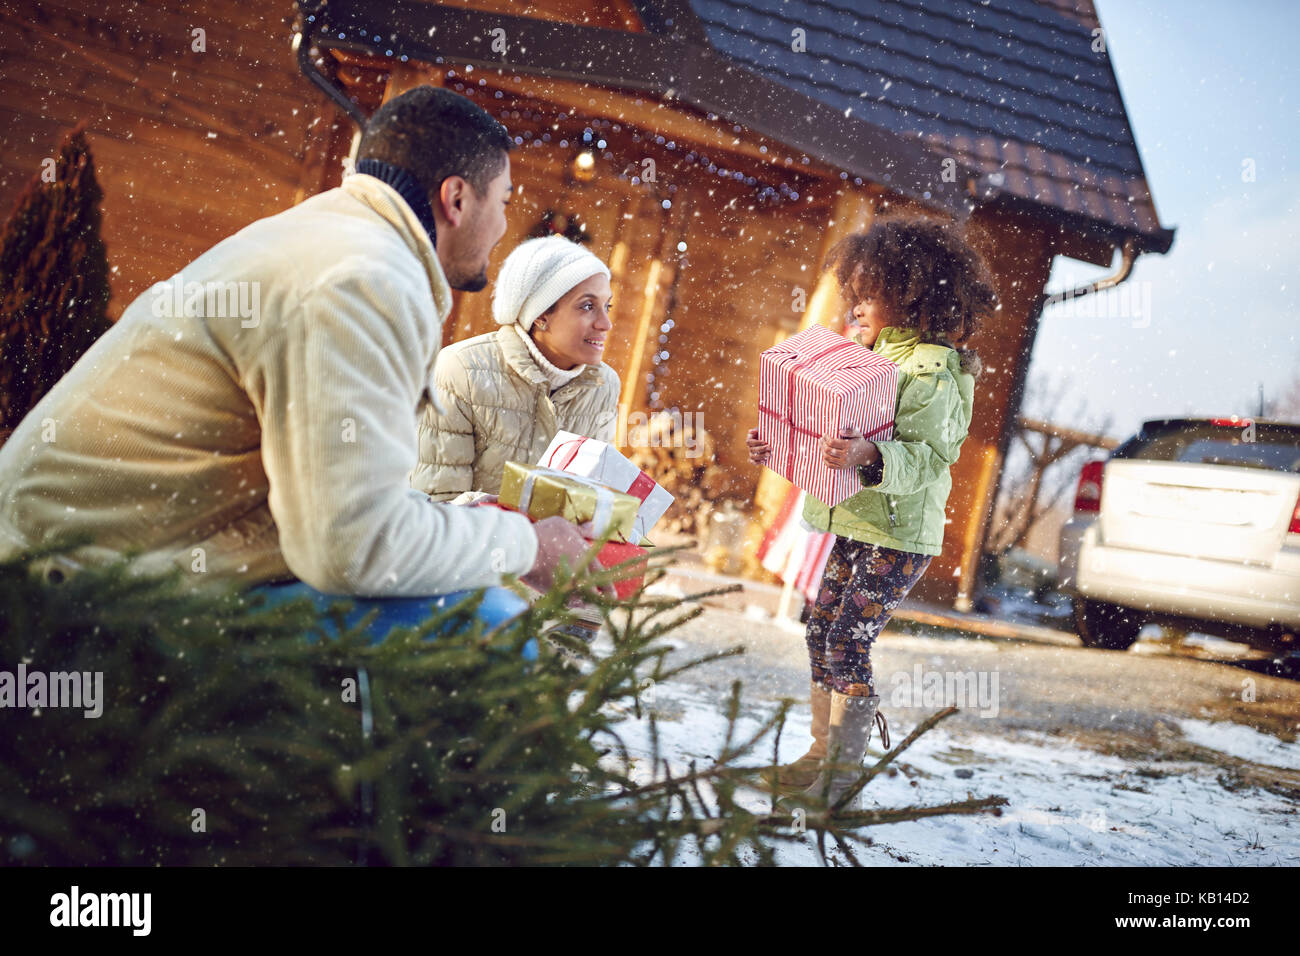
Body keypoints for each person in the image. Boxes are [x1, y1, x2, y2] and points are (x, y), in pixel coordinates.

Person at [0, 86, 603, 636]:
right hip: (60, 591)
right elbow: (350, 549)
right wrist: (528, 545)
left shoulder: (334, 242)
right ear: (456, 199)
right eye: (502, 202)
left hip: (88, 554)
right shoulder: (362, 283)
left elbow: (335, 500)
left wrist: (473, 520)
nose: (504, 226)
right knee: (488, 630)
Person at [747, 216, 997, 811]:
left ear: (912, 294)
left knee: (847, 643)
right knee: (819, 628)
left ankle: (843, 777)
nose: (854, 303)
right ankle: (818, 756)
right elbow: (825, 436)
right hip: (855, 522)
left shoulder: (934, 370)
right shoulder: (859, 357)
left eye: (869, 293)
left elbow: (931, 459)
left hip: (898, 534)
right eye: (851, 291)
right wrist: (779, 444)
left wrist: (870, 453)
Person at [411, 235, 620, 504]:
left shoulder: (603, 384)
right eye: (588, 306)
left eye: (608, 306)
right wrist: (520, 526)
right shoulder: (460, 371)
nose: (605, 323)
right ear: (541, 315)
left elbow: (589, 493)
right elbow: (435, 504)